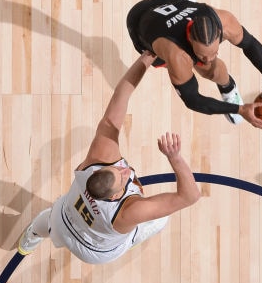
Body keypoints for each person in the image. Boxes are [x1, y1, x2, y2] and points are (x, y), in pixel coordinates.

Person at [18, 52, 201, 263]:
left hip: (64, 219)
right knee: (161, 219)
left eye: (118, 170)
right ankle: (132, 238)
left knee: (50, 221)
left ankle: (29, 239)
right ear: (114, 197)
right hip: (94, 251)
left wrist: (147, 56)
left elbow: (120, 95)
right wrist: (174, 157)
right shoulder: (126, 213)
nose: (126, 172)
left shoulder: (96, 160)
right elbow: (190, 196)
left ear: (98, 170)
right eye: (123, 177)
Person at [126, 0, 262, 130]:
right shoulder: (176, 54)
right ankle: (188, 37)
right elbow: (193, 100)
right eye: (203, 55)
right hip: (140, 21)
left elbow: (250, 44)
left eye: (214, 52)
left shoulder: (224, 21)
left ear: (219, 32)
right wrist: (239, 109)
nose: (209, 59)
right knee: (172, 63)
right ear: (190, 38)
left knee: (211, 70)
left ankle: (228, 87)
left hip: (171, 1)